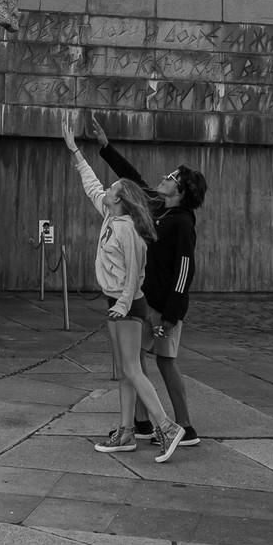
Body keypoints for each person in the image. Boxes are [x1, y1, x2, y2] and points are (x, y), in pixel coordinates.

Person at [62, 124, 186, 463]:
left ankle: (167, 427)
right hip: (118, 302)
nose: (106, 189)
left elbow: (134, 275)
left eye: (111, 187)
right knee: (125, 370)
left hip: (130, 304)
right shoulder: (110, 216)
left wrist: (121, 303)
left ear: (121, 199)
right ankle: (127, 431)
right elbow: (90, 186)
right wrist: (75, 152)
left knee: (132, 368)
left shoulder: (128, 230)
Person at [86, 115, 207, 447]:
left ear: (181, 191)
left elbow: (185, 269)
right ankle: (139, 424)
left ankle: (185, 427)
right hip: (147, 300)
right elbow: (134, 179)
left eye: (171, 177)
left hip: (165, 306)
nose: (163, 178)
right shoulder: (158, 206)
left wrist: (171, 314)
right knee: (136, 360)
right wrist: (106, 149)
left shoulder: (182, 222)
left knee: (165, 362)